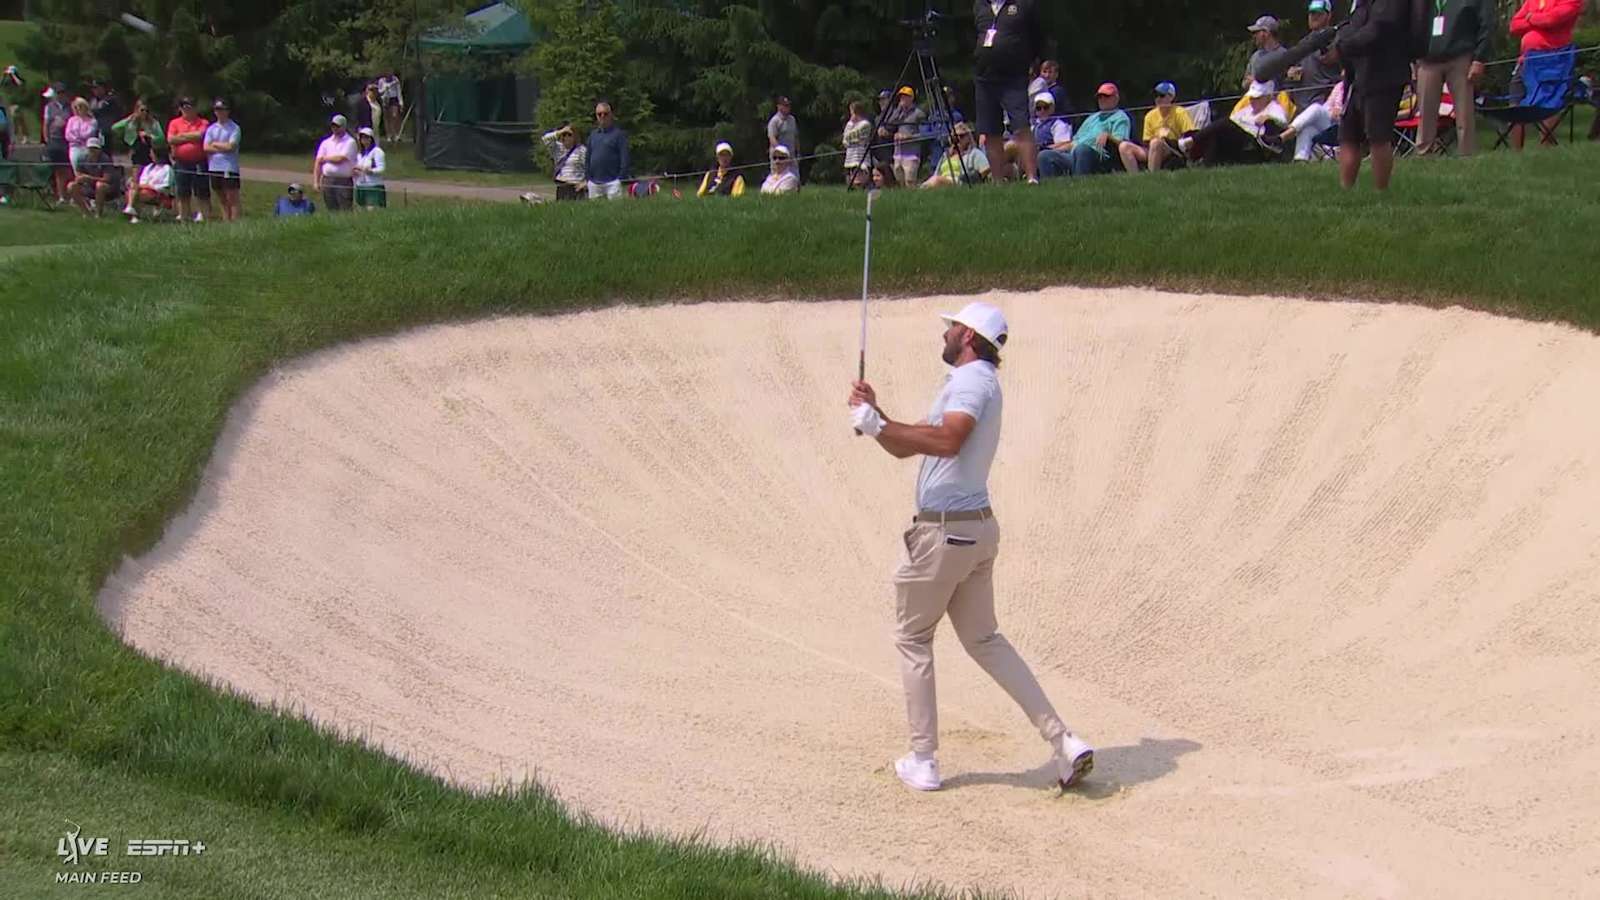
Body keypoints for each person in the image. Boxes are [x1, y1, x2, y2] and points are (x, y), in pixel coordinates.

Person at [847, 301, 1096, 794]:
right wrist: (878, 418)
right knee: (984, 641)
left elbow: (948, 442)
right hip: (974, 532)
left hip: (945, 536)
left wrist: (879, 425)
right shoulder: (972, 385)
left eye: (952, 327)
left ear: (968, 336)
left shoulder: (971, 382)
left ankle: (923, 761)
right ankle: (1064, 743)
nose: (945, 332)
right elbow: (913, 443)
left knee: (914, 638)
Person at [1334, 0, 1420, 189]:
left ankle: (1380, 191)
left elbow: (1378, 30)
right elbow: (1352, 24)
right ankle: (1345, 189)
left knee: (1378, 136)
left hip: (1384, 75)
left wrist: (1345, 45)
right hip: (1356, 74)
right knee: (1348, 135)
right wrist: (1340, 41)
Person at [973, 0, 1045, 184]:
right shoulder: (980, 5)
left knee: (1021, 126)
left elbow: (1037, 35)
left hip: (1013, 76)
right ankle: (997, 181)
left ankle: (1031, 177)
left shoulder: (1023, 4)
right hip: (984, 76)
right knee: (990, 131)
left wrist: (1031, 62)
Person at [1413, 0, 1494, 154]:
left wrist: (1479, 58)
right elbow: (1414, 21)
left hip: (1460, 56)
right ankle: (1424, 152)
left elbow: (1486, 23)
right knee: (1425, 111)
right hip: (1428, 58)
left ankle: (1467, 153)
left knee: (1464, 111)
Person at [1506, 0, 1582, 149]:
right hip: (1525, 61)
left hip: (1552, 61)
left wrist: (1530, 17)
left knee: (1548, 102)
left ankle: (1544, 148)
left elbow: (1552, 19)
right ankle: (1515, 153)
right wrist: (1539, 19)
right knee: (1515, 101)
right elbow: (1514, 26)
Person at [1180, 80, 1290, 165]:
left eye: (1257, 98)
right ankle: (1207, 164)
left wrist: (1268, 117)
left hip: (1253, 143)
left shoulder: (1274, 108)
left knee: (1225, 123)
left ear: (1268, 97)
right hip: (1237, 142)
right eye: (1251, 98)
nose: (1252, 101)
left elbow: (1283, 122)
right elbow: (1233, 119)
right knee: (1217, 132)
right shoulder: (1247, 110)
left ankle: (1192, 140)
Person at [1120, 82, 1195, 172]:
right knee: (1124, 146)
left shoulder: (1180, 112)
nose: (1158, 99)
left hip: (1172, 149)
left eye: (1161, 95)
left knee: (1156, 142)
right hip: (1152, 149)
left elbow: (1189, 135)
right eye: (1156, 95)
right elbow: (1146, 141)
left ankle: (1152, 176)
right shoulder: (1149, 115)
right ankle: (1136, 178)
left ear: (1171, 97)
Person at [165, 97, 213, 222]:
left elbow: (201, 135)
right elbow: (170, 139)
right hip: (181, 162)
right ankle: (184, 217)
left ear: (195, 109)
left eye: (190, 108)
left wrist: (180, 136)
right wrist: (191, 137)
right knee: (182, 192)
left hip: (199, 161)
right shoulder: (174, 123)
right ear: (180, 109)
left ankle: (204, 216)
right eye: (184, 108)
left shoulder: (203, 122)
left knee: (202, 191)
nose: (187, 110)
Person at [1071, 83, 1133, 176]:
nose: (1102, 99)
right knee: (1046, 155)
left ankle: (1080, 186)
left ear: (1116, 98)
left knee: (1082, 150)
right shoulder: (1092, 117)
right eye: (1099, 97)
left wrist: (1108, 136)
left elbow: (1123, 144)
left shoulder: (1120, 117)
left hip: (1097, 156)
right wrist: (1055, 148)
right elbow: (1074, 142)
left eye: (1106, 96)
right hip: (1074, 153)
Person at [203, 98, 242, 222]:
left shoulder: (234, 128)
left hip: (229, 166)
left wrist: (214, 144)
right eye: (217, 109)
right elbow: (205, 147)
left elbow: (231, 146)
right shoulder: (211, 128)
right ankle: (225, 220)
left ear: (227, 111)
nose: (219, 112)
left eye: (222, 109)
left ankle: (234, 221)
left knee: (232, 196)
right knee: (220, 195)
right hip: (214, 166)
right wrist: (221, 146)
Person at [921, 121, 990, 188]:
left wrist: (973, 178)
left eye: (961, 136)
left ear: (968, 137)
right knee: (931, 181)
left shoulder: (974, 153)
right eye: (955, 137)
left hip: (959, 181)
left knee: (936, 180)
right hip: (942, 180)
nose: (958, 139)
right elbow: (936, 173)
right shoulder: (946, 155)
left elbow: (986, 168)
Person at [881, 86, 926, 187]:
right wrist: (898, 110)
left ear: (911, 98)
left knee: (910, 180)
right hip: (898, 152)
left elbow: (924, 134)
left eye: (905, 97)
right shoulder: (898, 113)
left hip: (912, 153)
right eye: (901, 97)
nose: (902, 99)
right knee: (899, 181)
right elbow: (890, 123)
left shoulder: (918, 113)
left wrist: (908, 137)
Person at [585, 102, 630, 200]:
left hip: (613, 183)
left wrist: (620, 178)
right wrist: (588, 178)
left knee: (614, 213)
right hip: (594, 183)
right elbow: (587, 158)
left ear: (611, 115)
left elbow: (625, 159)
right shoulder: (593, 135)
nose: (602, 116)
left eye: (605, 114)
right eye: (599, 114)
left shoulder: (619, 135)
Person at [313, 114, 358, 211]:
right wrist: (316, 182)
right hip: (327, 179)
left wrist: (325, 159)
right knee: (331, 207)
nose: (335, 129)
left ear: (344, 127)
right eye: (333, 126)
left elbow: (340, 159)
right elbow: (318, 162)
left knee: (345, 207)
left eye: (338, 126)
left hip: (343, 181)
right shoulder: (326, 142)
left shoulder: (350, 142)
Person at [68, 135, 122, 217]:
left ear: (100, 149)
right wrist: (80, 179)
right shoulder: (82, 158)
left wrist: (90, 179)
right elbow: (78, 175)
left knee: (100, 185)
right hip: (88, 186)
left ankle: (98, 214)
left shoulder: (105, 159)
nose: (92, 151)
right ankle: (85, 212)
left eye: (95, 148)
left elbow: (107, 179)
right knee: (71, 186)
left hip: (107, 188)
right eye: (90, 148)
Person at [1029, 93, 1075, 178]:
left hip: (1053, 155)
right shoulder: (1034, 126)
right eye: (1039, 108)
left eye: (1045, 107)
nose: (1042, 111)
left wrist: (1044, 148)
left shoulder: (1058, 124)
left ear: (1052, 108)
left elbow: (1065, 144)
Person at [111, 96, 166, 168]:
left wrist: (149, 135)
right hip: (136, 152)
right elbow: (114, 128)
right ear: (137, 110)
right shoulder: (131, 123)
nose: (144, 113)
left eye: (147, 110)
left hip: (151, 152)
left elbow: (161, 138)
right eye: (142, 110)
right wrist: (128, 120)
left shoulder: (153, 123)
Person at [124, 145, 174, 224]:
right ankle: (133, 213)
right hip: (143, 189)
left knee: (138, 192)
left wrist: (148, 186)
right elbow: (143, 180)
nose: (150, 155)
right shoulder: (149, 167)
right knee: (133, 189)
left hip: (159, 193)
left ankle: (131, 209)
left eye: (152, 153)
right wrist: (142, 186)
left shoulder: (167, 169)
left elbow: (165, 186)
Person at [541, 123, 588, 201]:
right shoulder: (558, 148)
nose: (565, 137)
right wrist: (560, 131)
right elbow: (545, 139)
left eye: (569, 134)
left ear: (575, 136)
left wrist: (585, 183)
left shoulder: (581, 150)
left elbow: (591, 168)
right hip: (561, 187)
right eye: (564, 135)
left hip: (575, 187)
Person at [42, 85, 70, 202]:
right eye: (58, 93)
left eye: (62, 93)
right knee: (58, 170)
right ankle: (61, 195)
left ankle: (70, 195)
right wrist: (47, 139)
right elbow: (46, 124)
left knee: (68, 169)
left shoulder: (70, 107)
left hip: (67, 141)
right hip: (54, 140)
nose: (60, 95)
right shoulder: (49, 107)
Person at [1245, 16, 1286, 89]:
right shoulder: (1255, 56)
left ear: (1266, 33)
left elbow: (1289, 84)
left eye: (1256, 32)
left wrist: (1258, 82)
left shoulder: (1284, 55)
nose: (1254, 36)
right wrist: (1248, 83)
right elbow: (1245, 83)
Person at [353, 126, 387, 210]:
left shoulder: (377, 152)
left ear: (371, 139)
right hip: (360, 184)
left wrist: (371, 171)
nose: (364, 140)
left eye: (366, 137)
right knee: (360, 209)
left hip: (374, 185)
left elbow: (381, 168)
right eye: (362, 138)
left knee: (372, 209)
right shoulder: (360, 154)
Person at [64, 96, 98, 176]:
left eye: (80, 107)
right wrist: (76, 138)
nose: (78, 109)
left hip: (86, 147)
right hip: (74, 148)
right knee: (76, 168)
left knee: (88, 168)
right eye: (76, 107)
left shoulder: (92, 121)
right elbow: (68, 134)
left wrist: (77, 136)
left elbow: (89, 133)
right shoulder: (72, 120)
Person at [842, 100, 873, 187]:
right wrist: (850, 136)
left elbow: (852, 134)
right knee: (851, 176)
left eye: (852, 112)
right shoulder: (850, 124)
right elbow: (845, 138)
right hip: (850, 155)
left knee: (861, 176)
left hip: (860, 154)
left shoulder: (865, 124)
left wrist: (849, 136)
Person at [377, 73, 404, 142]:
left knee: (394, 116)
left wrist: (401, 102)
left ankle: (396, 134)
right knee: (387, 118)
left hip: (393, 99)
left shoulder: (395, 79)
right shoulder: (381, 80)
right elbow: (379, 91)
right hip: (385, 99)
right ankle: (389, 135)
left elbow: (398, 91)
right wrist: (384, 88)